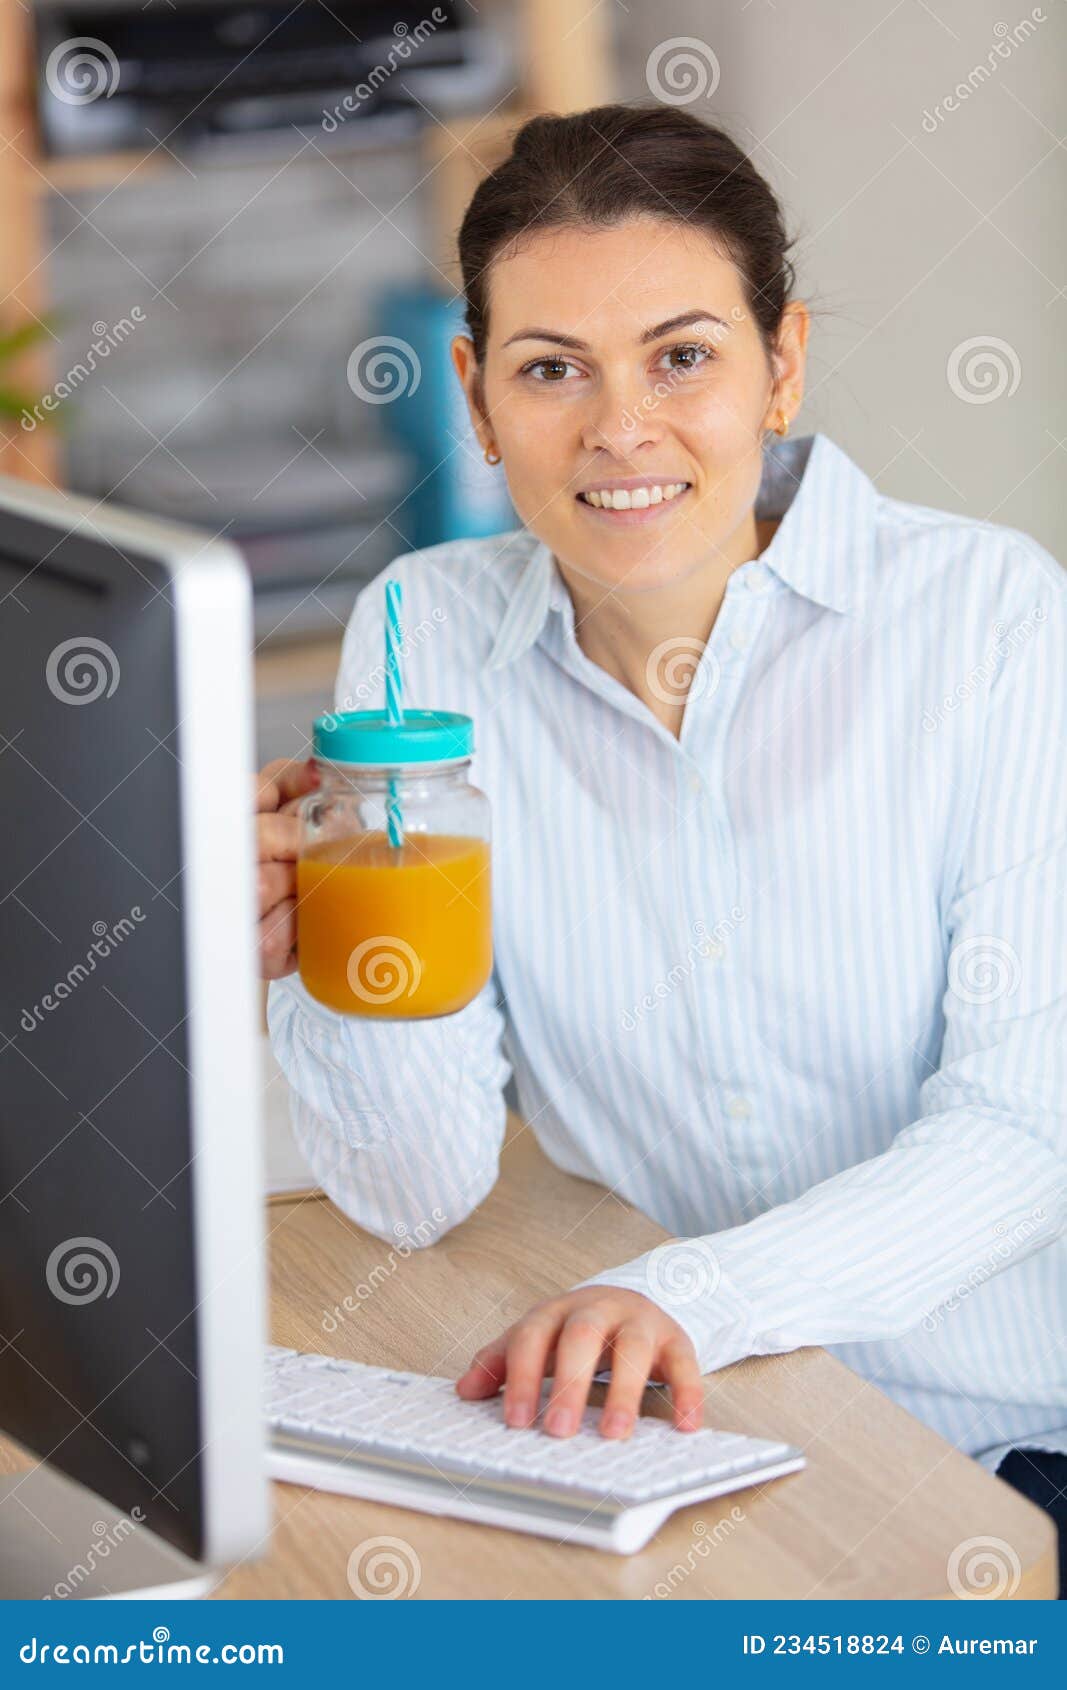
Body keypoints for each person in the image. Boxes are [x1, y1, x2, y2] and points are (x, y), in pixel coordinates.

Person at [257, 105, 1066, 1591]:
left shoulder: (991, 623)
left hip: (998, 1451)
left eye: (681, 356)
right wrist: (338, 957)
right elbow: (415, 1191)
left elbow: (1026, 1136)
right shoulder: (421, 637)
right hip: (663, 1448)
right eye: (550, 368)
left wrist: (685, 1297)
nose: (619, 429)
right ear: (476, 397)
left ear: (783, 364)